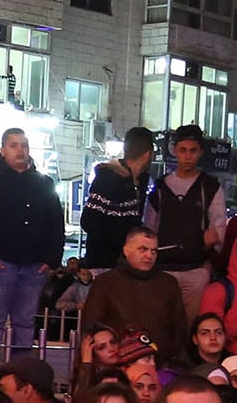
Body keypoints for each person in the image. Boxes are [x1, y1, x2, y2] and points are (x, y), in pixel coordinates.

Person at [0, 127, 63, 356]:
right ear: (3, 150)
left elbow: (56, 222)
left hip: (34, 265)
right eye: (14, 145)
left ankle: (21, 374)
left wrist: (51, 259)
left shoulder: (44, 183)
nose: (20, 150)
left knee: (26, 322)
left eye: (24, 145)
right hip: (0, 263)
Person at [142, 125, 226, 321]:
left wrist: (211, 241)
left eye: (193, 151)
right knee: (161, 321)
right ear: (174, 150)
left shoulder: (210, 187)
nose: (187, 156)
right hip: (163, 267)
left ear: (200, 153)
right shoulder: (161, 187)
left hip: (196, 269)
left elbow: (219, 224)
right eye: (183, 150)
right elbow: (149, 227)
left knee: (191, 324)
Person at [79, 226, 187, 362]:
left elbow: (179, 328)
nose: (149, 256)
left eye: (154, 251)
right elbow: (90, 328)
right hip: (117, 365)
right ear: (126, 250)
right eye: (143, 249)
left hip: (160, 365)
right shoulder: (105, 283)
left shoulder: (169, 283)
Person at [78, 130, 155, 270]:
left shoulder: (141, 182)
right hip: (104, 263)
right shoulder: (108, 178)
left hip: (129, 265)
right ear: (147, 155)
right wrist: (122, 243)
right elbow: (88, 221)